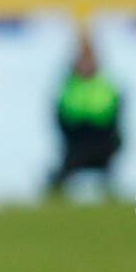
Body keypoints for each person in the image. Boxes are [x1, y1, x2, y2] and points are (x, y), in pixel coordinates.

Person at [49, 31, 122, 196]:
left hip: (102, 142)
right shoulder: (69, 85)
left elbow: (112, 114)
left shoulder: (105, 84)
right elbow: (63, 115)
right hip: (76, 143)